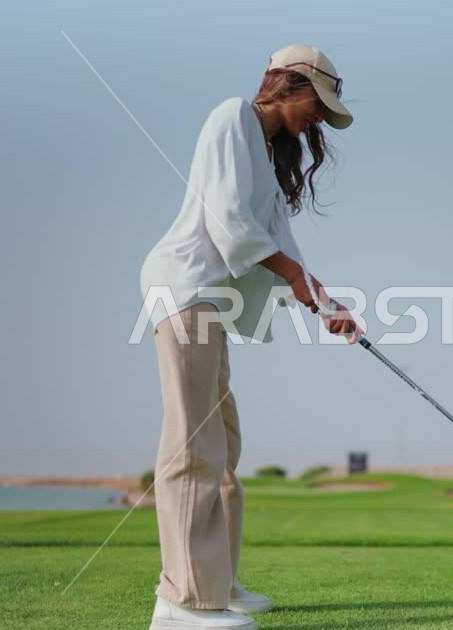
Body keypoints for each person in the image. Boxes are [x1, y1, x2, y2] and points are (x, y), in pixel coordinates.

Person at [138, 44, 359, 630]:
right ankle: (183, 602)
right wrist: (302, 283)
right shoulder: (232, 115)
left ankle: (217, 580)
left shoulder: (265, 150)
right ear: (290, 84)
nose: (321, 119)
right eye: (320, 103)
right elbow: (233, 225)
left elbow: (284, 248)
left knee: (224, 448)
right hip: (184, 290)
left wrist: (326, 304)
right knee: (194, 444)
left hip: (209, 301)